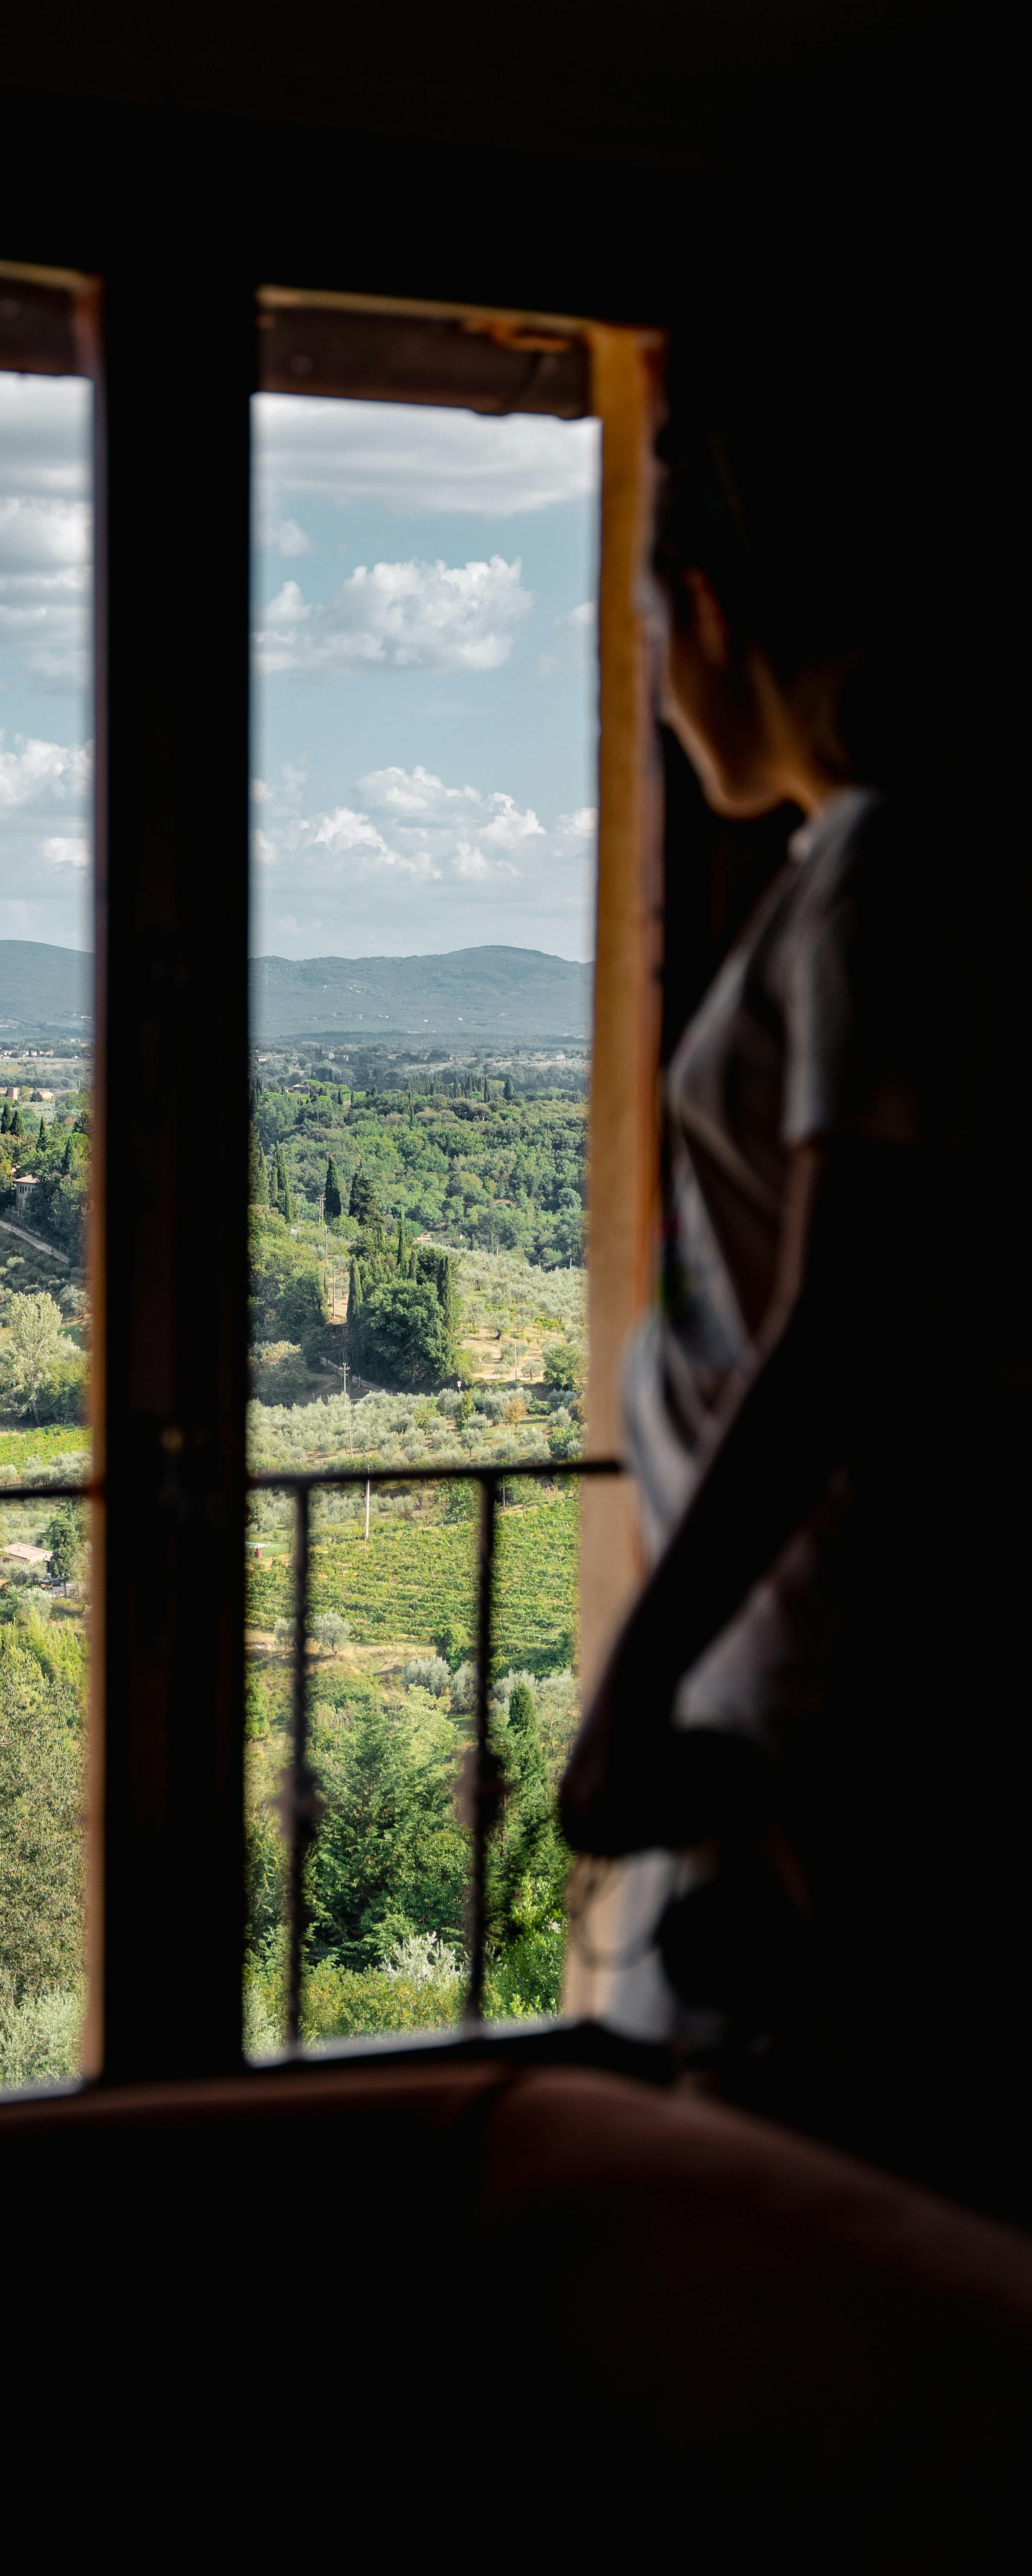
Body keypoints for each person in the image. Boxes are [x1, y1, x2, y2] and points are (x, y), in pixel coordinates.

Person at [559, 328, 1019, 2211]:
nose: (656, 690)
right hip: (809, 1706)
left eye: (652, 628)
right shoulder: (871, 866)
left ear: (715, 613)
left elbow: (844, 1320)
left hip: (822, 1714)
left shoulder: (883, 874)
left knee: (792, 2215)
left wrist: (633, 1686)